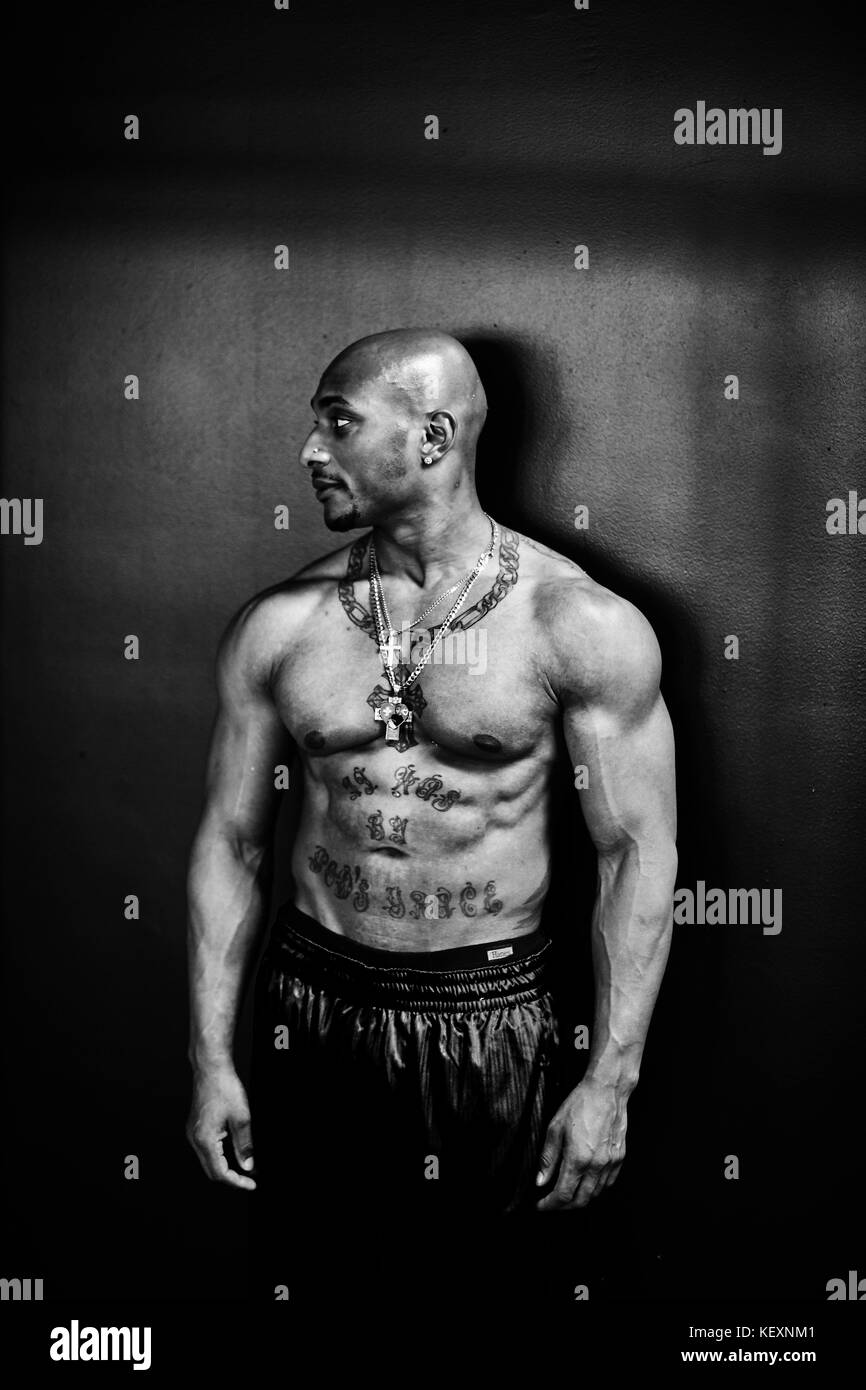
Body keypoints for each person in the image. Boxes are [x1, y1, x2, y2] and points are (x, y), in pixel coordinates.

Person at [185, 328, 677, 1305]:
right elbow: (232, 843)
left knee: (486, 1313)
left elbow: (634, 855)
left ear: (432, 435)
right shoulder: (281, 626)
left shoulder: (572, 623)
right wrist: (210, 1060)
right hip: (310, 1008)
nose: (309, 451)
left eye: (337, 421)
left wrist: (608, 1086)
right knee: (311, 1298)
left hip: (486, 1020)